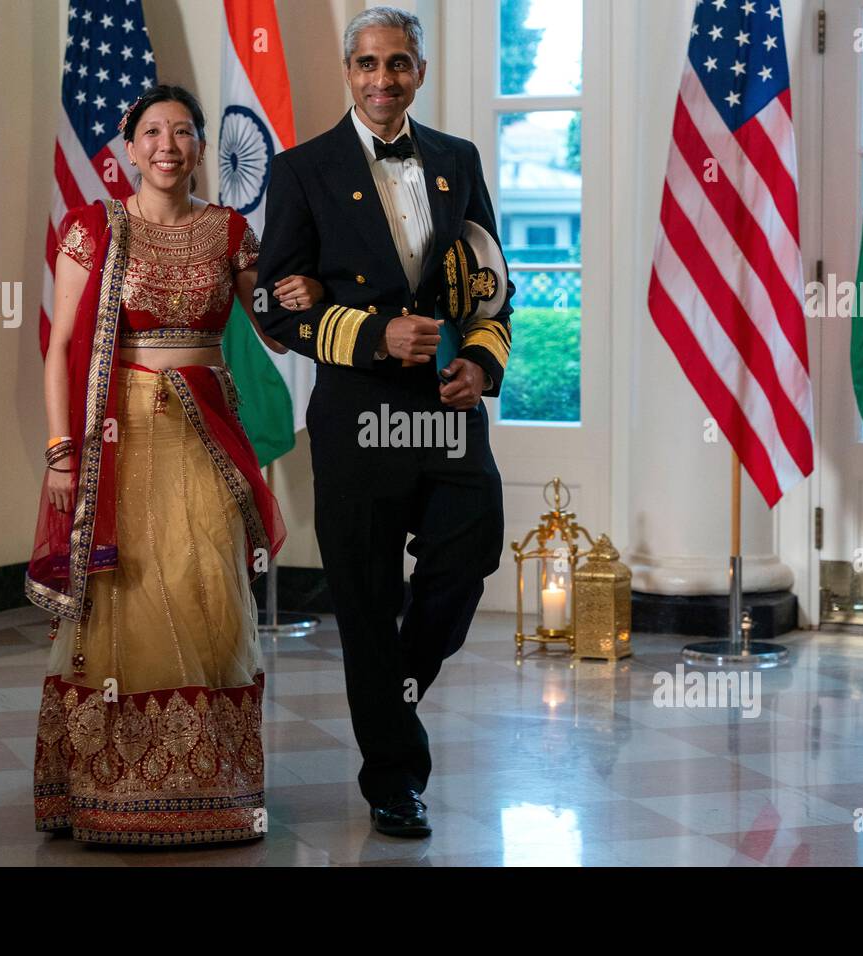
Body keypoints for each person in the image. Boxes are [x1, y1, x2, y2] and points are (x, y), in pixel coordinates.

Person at [25, 85, 319, 846]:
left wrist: (305, 292)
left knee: (210, 583)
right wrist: (62, 453)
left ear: (199, 149)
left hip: (207, 432)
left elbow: (279, 334)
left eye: (183, 131)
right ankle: (110, 791)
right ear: (128, 148)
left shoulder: (230, 232)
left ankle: (210, 788)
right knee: (128, 593)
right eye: (152, 131)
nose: (168, 144)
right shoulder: (97, 228)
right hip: (120, 436)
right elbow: (61, 348)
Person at [254, 7, 512, 838]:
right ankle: (393, 778)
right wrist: (371, 332)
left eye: (398, 63)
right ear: (347, 71)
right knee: (365, 600)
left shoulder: (458, 161)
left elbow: (493, 285)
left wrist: (482, 361)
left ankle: (391, 683)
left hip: (445, 411)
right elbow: (272, 304)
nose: (382, 79)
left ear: (420, 73)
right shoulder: (302, 171)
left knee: (468, 551)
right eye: (366, 63)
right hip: (359, 417)